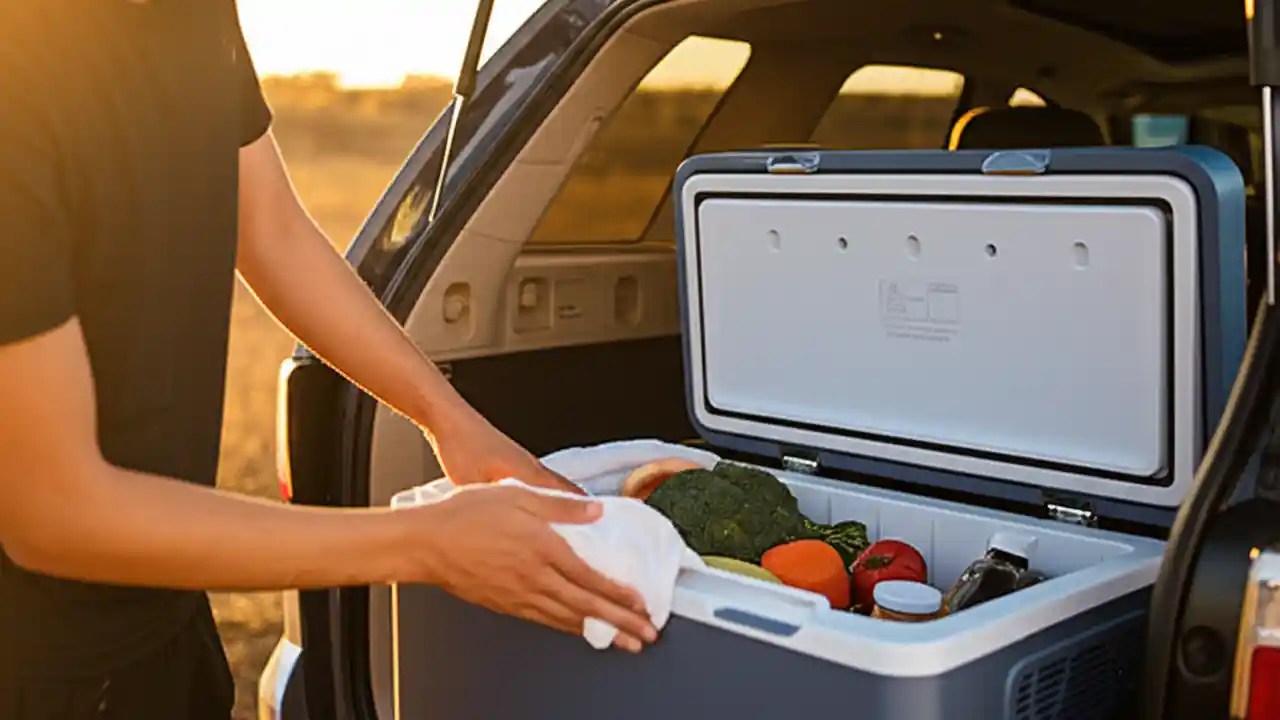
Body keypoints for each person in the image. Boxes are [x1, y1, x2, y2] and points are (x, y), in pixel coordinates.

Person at [0, 1, 656, 717]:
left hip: (167, 625)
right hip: (34, 664)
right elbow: (52, 512)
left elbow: (272, 230)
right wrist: (423, 545)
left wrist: (446, 417)